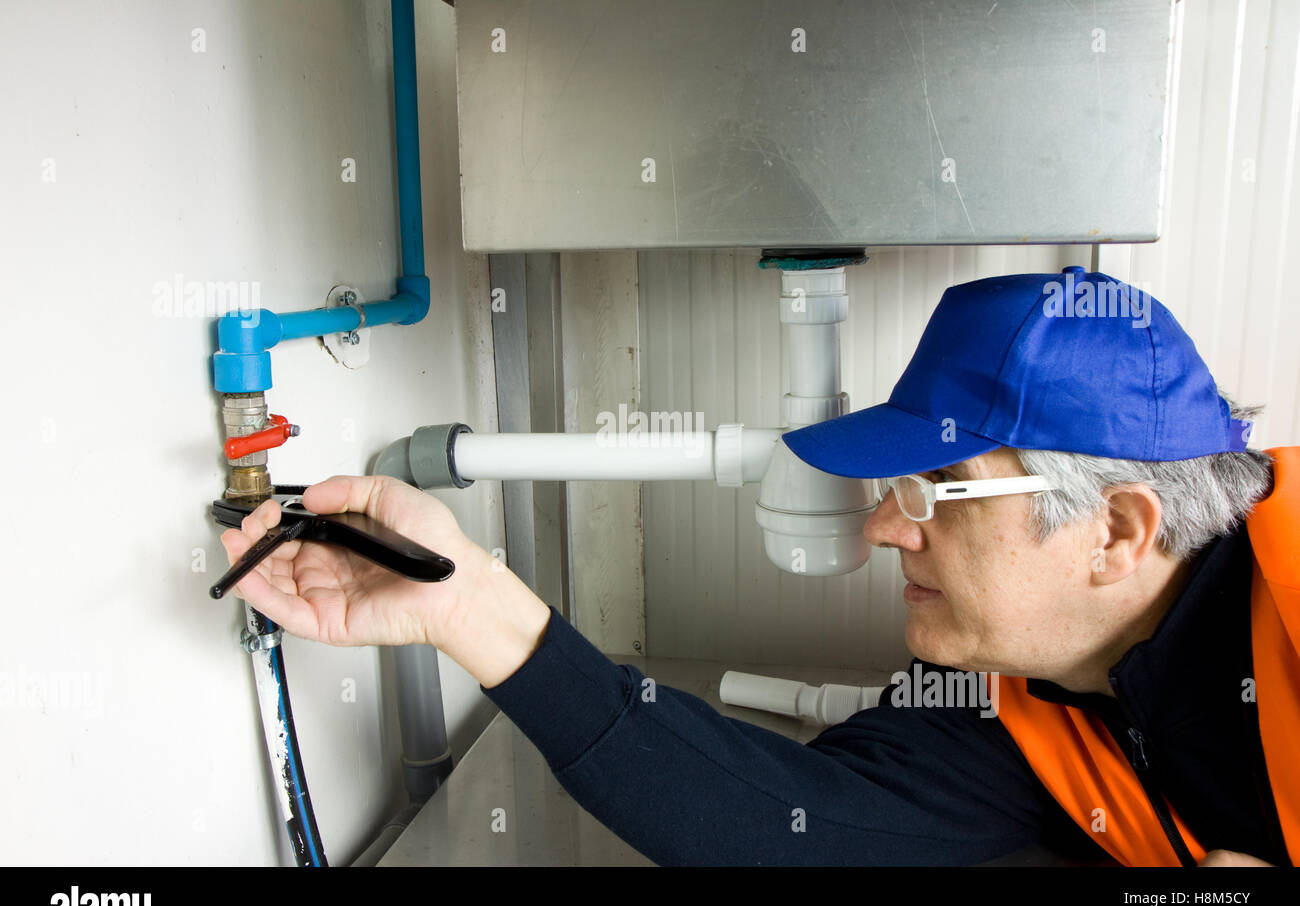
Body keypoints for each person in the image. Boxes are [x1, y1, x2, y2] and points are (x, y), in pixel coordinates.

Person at [220, 267, 1296, 866]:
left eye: (932, 490)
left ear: (1115, 530)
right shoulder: (1020, 694)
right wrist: (471, 608)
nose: (882, 529)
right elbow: (787, 821)